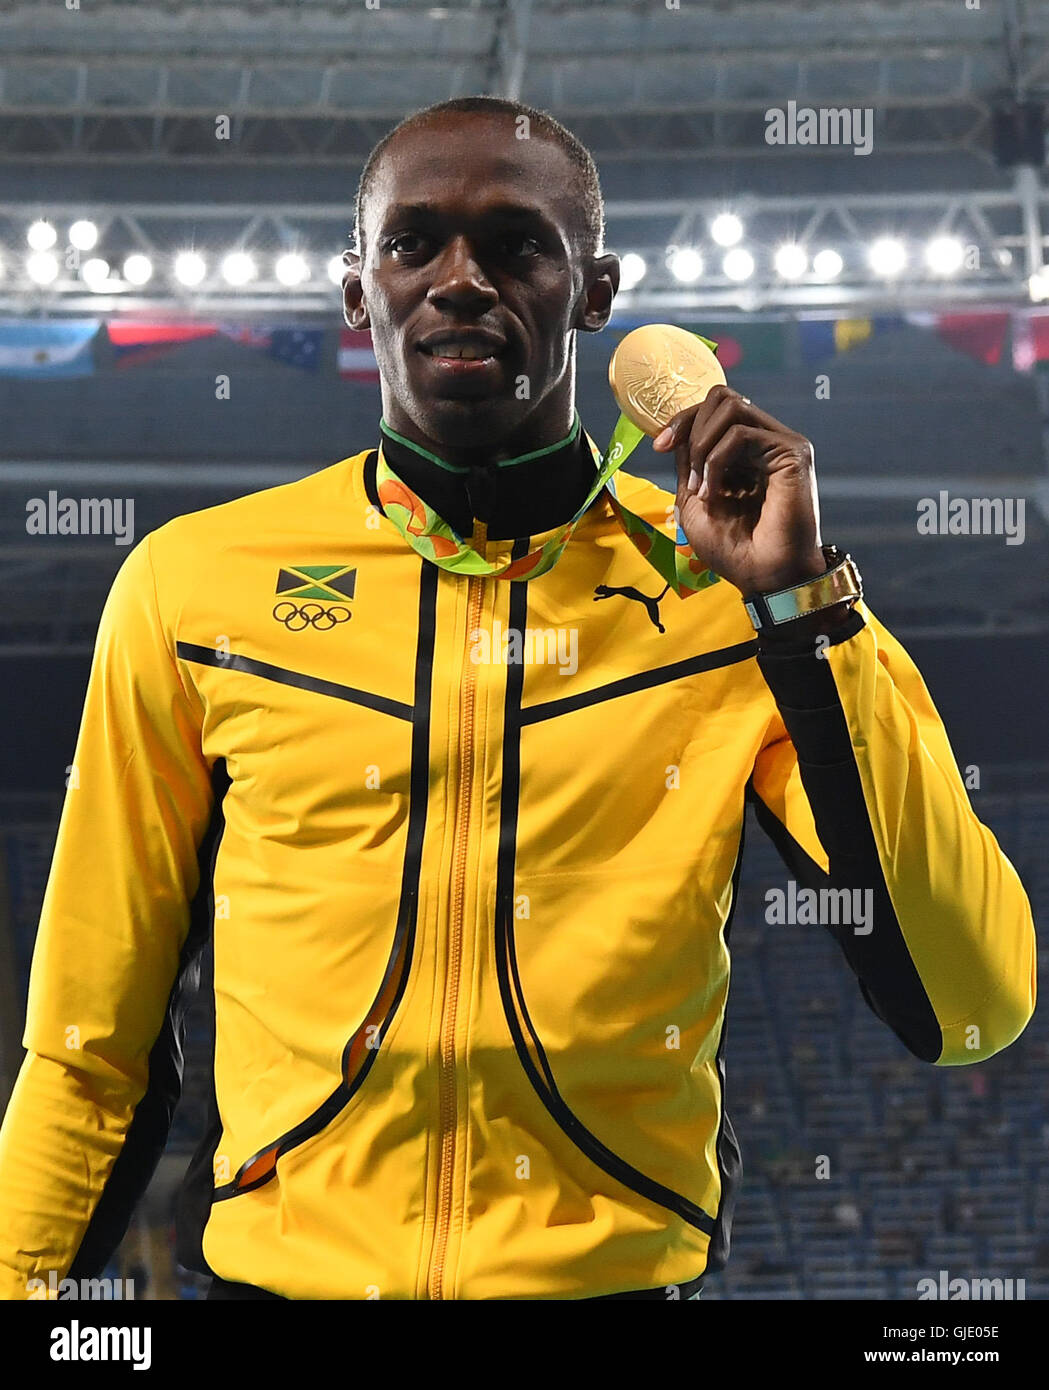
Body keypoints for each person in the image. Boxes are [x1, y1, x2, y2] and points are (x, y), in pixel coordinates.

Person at [0, 95, 1036, 1302]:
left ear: (592, 292)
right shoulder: (189, 586)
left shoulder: (728, 594)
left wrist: (801, 611)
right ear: (356, 293)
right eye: (413, 242)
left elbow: (967, 1004)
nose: (457, 280)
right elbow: (89, 1048)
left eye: (514, 245)